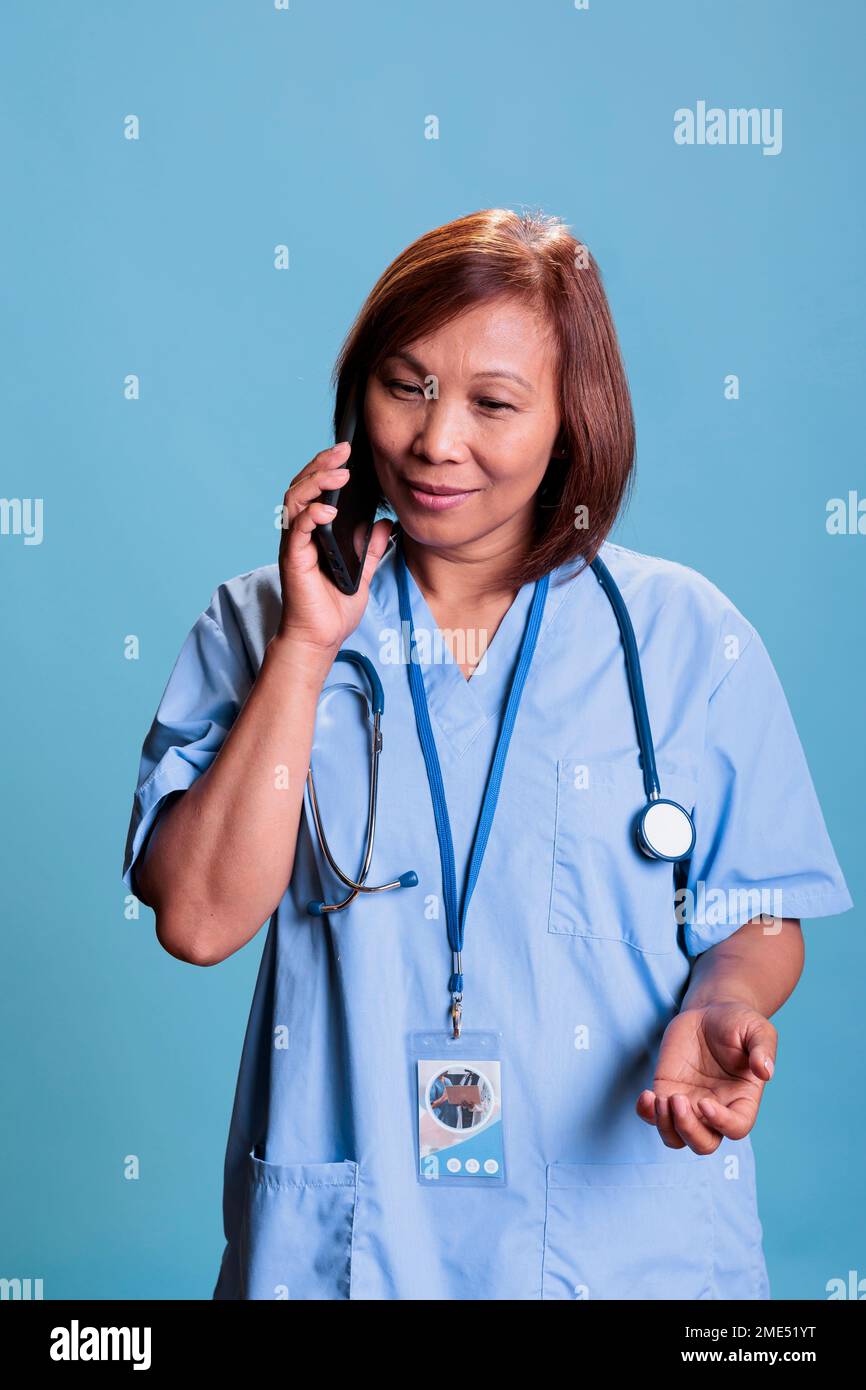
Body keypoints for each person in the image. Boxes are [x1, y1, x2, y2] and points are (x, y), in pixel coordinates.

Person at [122, 208, 852, 1301]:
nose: (433, 441)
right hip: (352, 1249)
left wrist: (724, 998)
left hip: (625, 1247)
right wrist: (308, 649)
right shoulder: (259, 623)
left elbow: (756, 910)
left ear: (570, 422)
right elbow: (196, 918)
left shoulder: (685, 639)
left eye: (492, 403)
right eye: (403, 384)